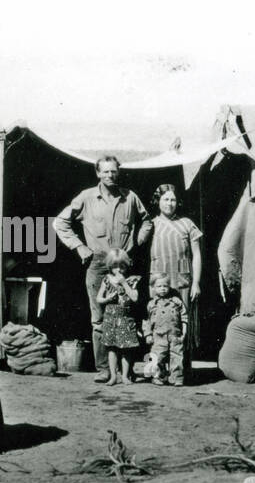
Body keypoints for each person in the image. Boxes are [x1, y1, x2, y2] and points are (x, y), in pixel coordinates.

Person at [53, 156, 153, 382]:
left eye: (114, 172)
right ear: (98, 173)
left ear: (119, 173)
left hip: (124, 264)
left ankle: (126, 372)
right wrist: (79, 247)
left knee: (127, 315)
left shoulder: (130, 198)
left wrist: (138, 241)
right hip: (98, 263)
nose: (110, 176)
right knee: (99, 320)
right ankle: (104, 370)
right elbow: (60, 222)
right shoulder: (87, 197)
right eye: (105, 172)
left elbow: (147, 221)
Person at [149, 183, 203, 375]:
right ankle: (159, 370)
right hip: (158, 281)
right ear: (158, 201)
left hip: (182, 281)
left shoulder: (187, 223)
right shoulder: (151, 224)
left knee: (181, 323)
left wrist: (196, 282)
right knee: (159, 323)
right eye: (165, 199)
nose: (169, 204)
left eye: (173, 199)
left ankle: (181, 370)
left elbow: (196, 255)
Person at [95, 250, 140, 386]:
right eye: (115, 266)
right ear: (109, 266)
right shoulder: (107, 279)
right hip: (110, 317)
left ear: (127, 266)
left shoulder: (132, 280)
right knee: (112, 349)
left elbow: (134, 297)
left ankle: (125, 376)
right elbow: (98, 298)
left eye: (122, 266)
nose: (118, 269)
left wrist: (124, 283)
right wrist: (107, 298)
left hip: (125, 318)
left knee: (126, 349)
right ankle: (113, 376)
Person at [143, 274, 186, 385]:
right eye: (159, 286)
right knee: (156, 357)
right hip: (158, 336)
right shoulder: (151, 304)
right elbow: (146, 320)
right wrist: (147, 334)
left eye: (165, 286)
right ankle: (156, 377)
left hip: (175, 335)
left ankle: (177, 378)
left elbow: (184, 317)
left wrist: (184, 332)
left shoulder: (176, 302)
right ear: (153, 288)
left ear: (169, 287)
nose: (162, 288)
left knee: (177, 357)